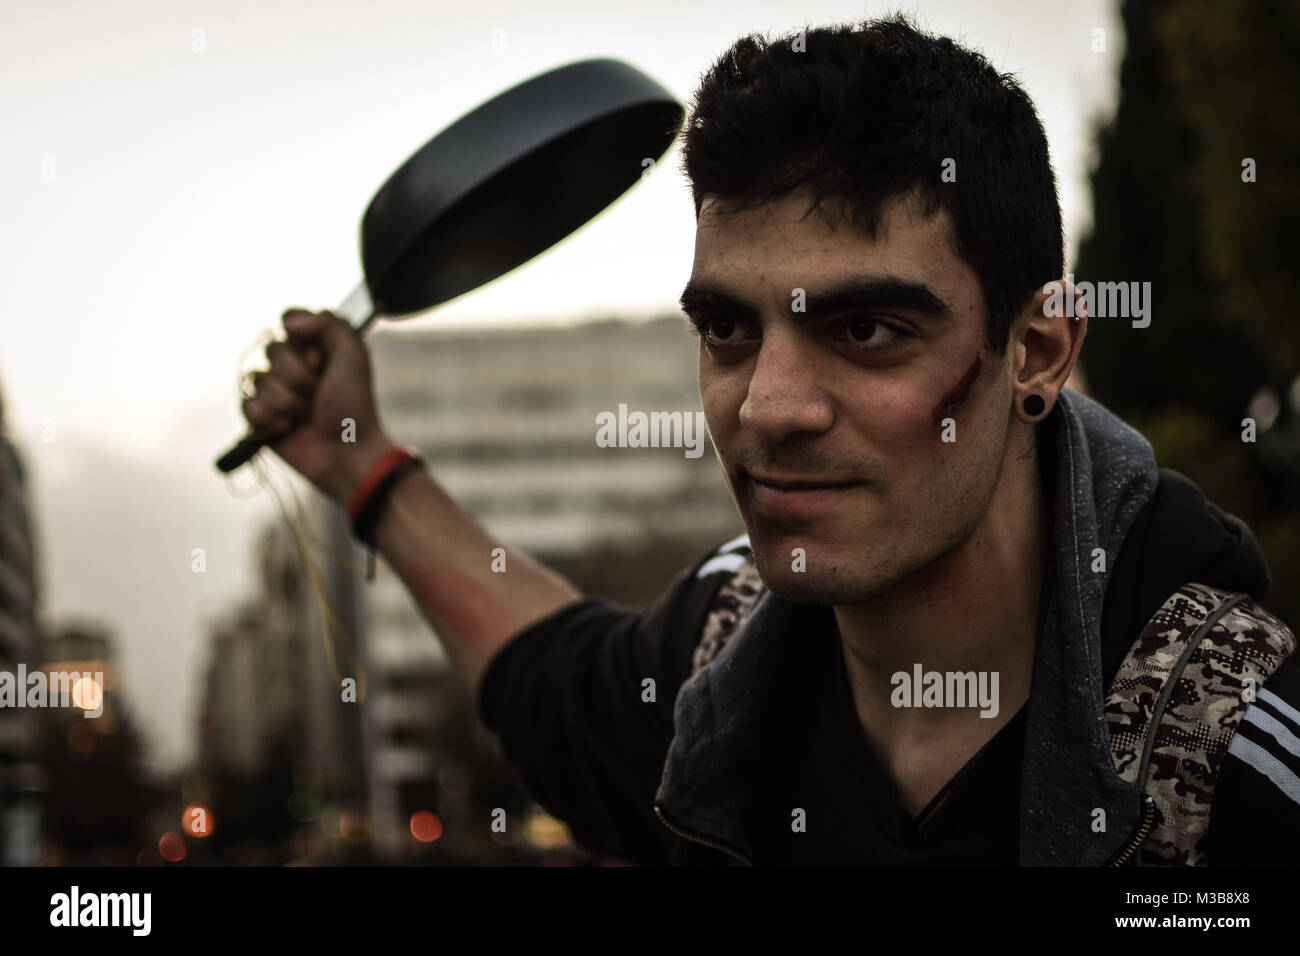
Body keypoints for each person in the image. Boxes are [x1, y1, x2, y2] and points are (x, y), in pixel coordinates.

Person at [237, 15, 1299, 865]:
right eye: (728, 329)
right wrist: (357, 459)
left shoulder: (1227, 756)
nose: (768, 406)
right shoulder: (721, 661)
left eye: (867, 328)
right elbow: (548, 677)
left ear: (1035, 350)